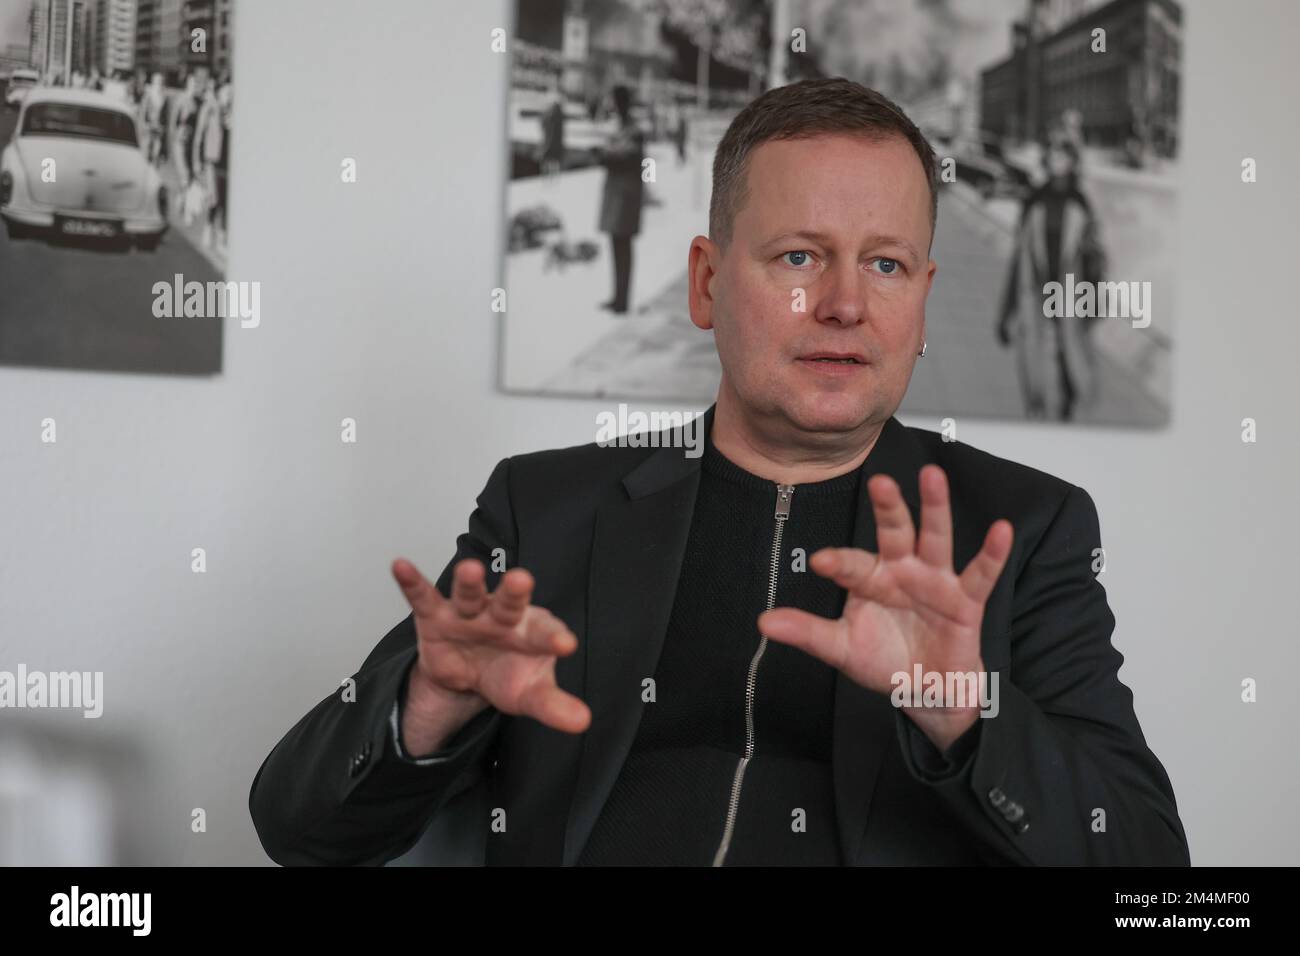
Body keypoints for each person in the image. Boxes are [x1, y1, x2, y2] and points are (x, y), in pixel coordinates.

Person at [249, 78, 1188, 867]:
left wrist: (965, 713)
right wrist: (428, 706)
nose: (846, 304)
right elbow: (297, 828)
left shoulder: (1018, 530)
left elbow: (1151, 869)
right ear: (706, 281)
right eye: (799, 257)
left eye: (888, 265)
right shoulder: (545, 510)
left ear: (923, 301)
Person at [997, 138, 1106, 422]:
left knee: (1071, 360)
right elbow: (1019, 259)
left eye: (1065, 157)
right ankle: (1039, 414)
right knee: (1036, 365)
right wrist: (1006, 312)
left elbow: (1094, 257)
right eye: (1054, 157)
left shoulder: (1081, 203)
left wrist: (1095, 298)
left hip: (1071, 295)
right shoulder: (1035, 200)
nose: (1059, 163)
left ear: (1073, 162)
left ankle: (1069, 412)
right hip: (1035, 293)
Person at [593, 84, 645, 315]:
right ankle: (618, 297)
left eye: (613, 102)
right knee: (616, 245)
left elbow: (627, 158)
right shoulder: (623, 128)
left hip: (625, 196)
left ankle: (622, 301)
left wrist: (605, 155)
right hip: (618, 194)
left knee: (622, 246)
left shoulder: (633, 131)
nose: (611, 106)